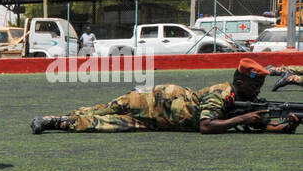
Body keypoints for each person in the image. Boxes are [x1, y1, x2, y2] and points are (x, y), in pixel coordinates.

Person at [30, 58, 301, 134]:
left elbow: (254, 122)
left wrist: (283, 126)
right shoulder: (222, 94)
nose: (257, 92)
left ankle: (56, 123)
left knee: (104, 125)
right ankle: (55, 117)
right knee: (103, 110)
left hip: (159, 121)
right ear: (239, 80)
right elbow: (207, 126)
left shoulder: (239, 102)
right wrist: (247, 117)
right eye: (254, 87)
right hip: (152, 101)